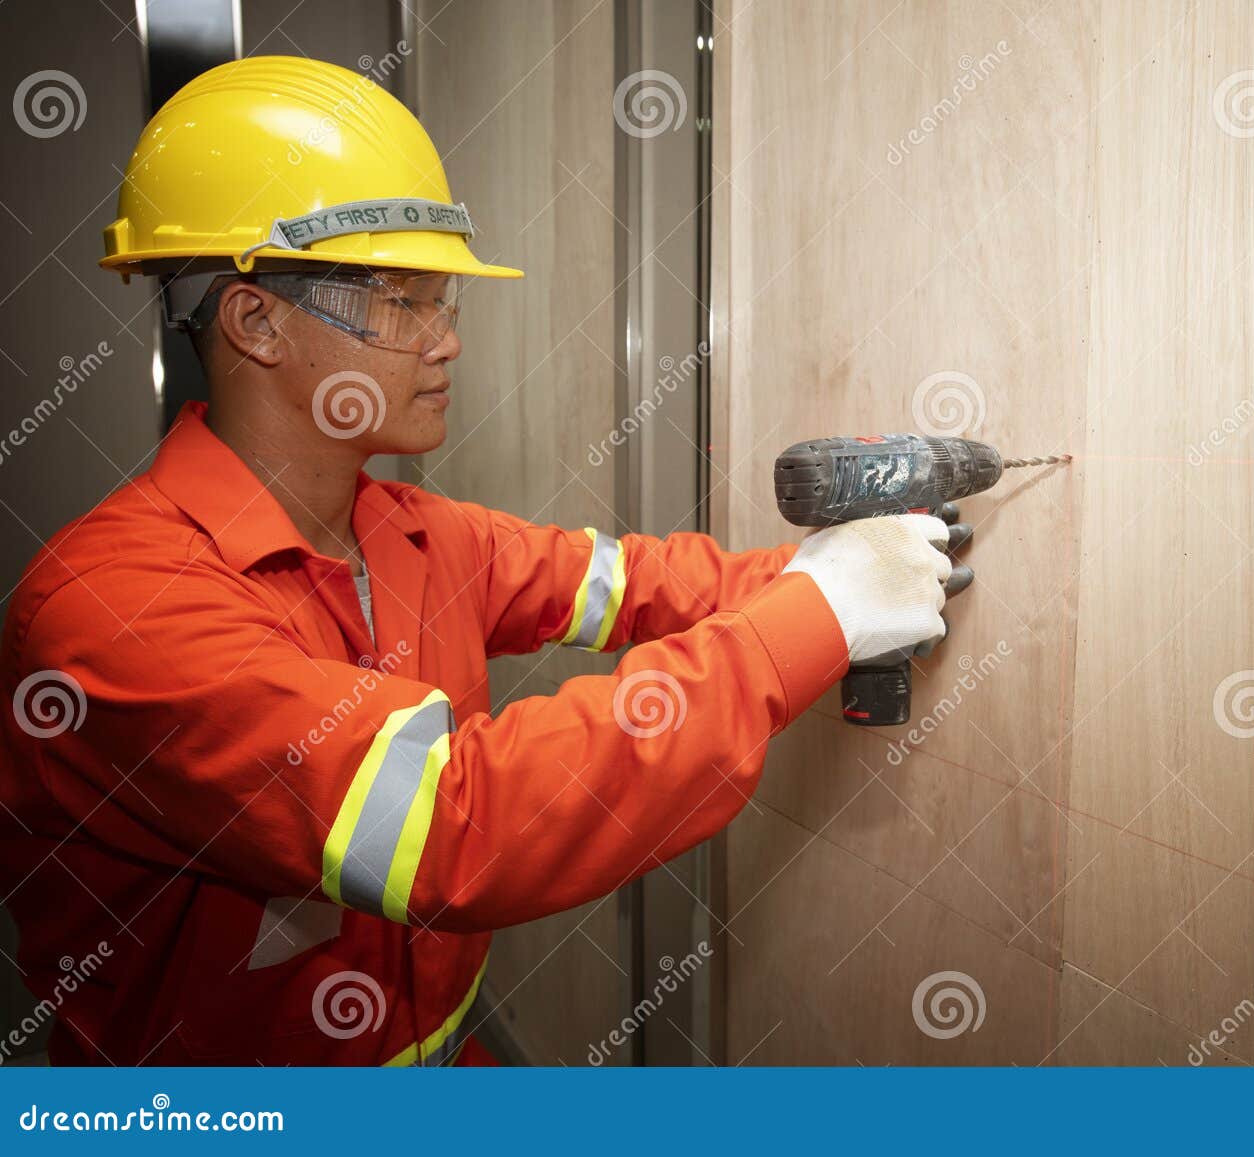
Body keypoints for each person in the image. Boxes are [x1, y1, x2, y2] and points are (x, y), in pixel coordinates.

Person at [0, 56, 969, 1065]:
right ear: (256, 321)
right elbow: (457, 823)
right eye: (402, 298)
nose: (446, 341)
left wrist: (852, 563)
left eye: (443, 300)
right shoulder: (112, 612)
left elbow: (637, 583)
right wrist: (816, 613)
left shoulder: (414, 532)